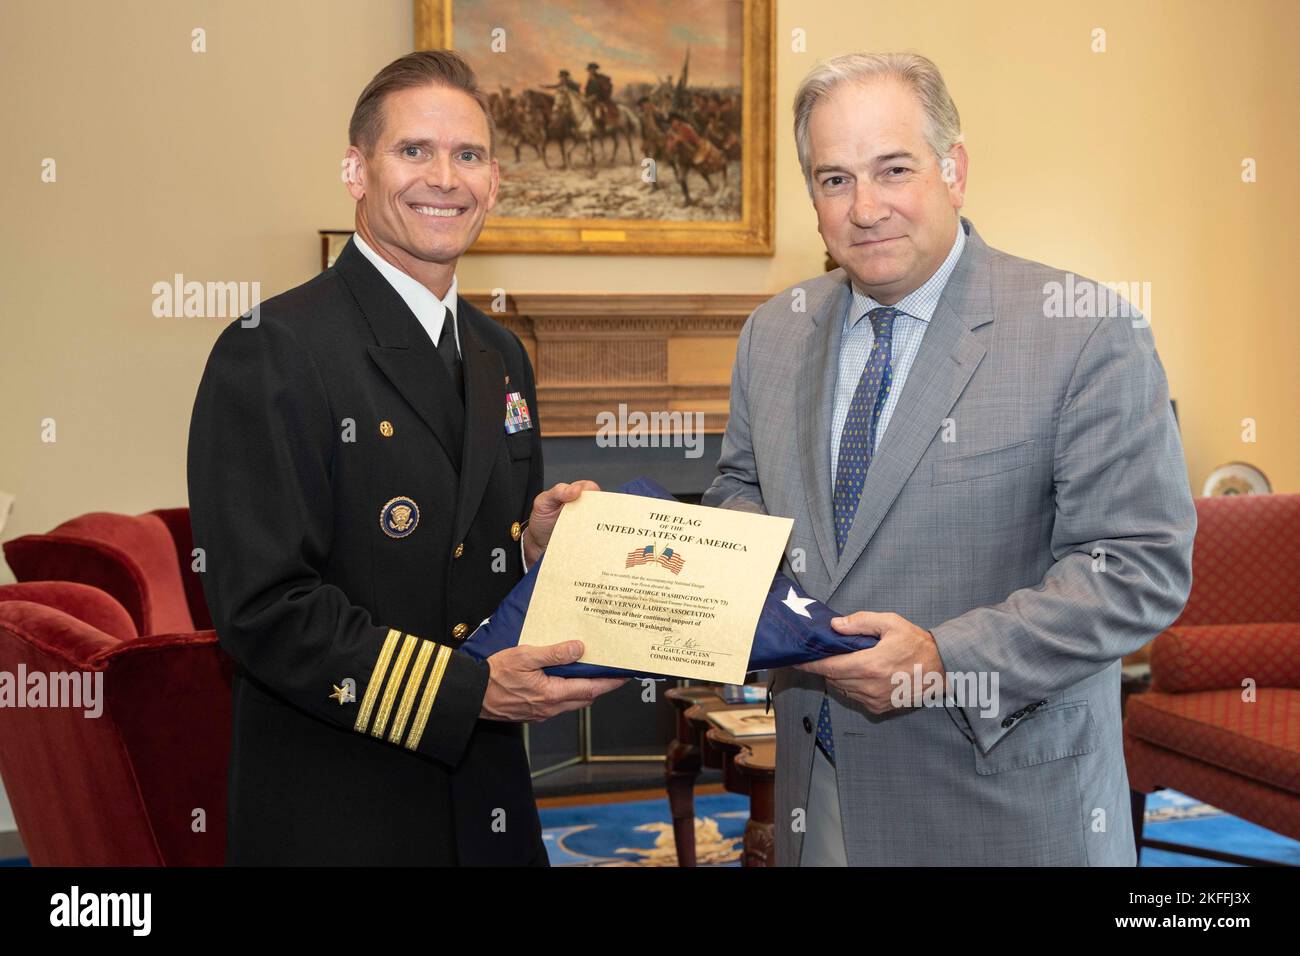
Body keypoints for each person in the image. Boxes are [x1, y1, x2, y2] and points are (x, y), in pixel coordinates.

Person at [701, 52, 1195, 865]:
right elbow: (739, 487)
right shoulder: (774, 332)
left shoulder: (1084, 331)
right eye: (833, 180)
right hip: (815, 783)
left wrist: (942, 659)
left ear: (954, 170)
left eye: (893, 169)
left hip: (1003, 802)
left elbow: (1137, 567)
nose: (865, 208)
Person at [187, 49, 623, 866]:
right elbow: (264, 611)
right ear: (356, 169)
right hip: (341, 802)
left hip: (485, 793)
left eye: (468, 156)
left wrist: (529, 545)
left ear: (495, 182)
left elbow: (471, 570)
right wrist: (470, 691)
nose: (445, 179)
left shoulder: (500, 354)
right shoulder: (274, 349)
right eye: (413, 151)